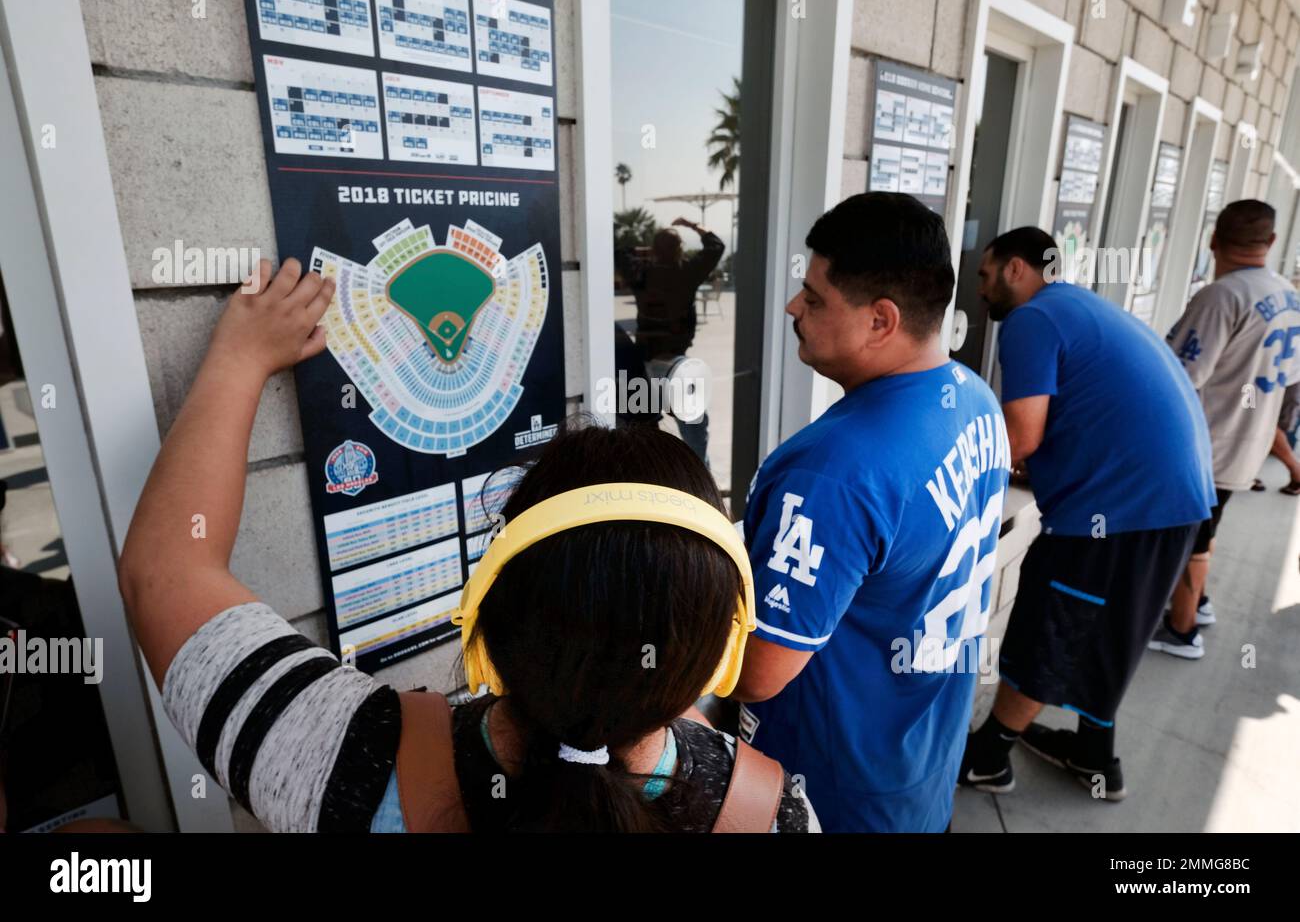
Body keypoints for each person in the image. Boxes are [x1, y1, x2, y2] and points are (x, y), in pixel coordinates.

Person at [117, 258, 817, 833]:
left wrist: (239, 358)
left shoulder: (347, 759)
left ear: (486, 619)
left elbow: (165, 572)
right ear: (723, 651)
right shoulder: (773, 813)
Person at [729, 192, 1010, 832]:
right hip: (921, 775)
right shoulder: (974, 399)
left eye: (815, 297)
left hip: (831, 799)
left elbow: (757, 673)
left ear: (880, 320)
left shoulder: (834, 470)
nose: (793, 307)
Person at [958, 227, 1214, 802]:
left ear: (1018, 269)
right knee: (1104, 632)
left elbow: (1019, 436)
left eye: (984, 275)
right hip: (1170, 503)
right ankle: (1097, 758)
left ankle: (989, 759)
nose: (981, 291)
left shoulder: (1032, 319)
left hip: (1121, 508)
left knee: (1051, 627)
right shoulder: (1082, 306)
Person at [1160, 200, 1300, 658]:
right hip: (1248, 438)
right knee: (1208, 526)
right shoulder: (1286, 293)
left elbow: (1179, 375)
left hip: (1210, 443)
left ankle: (1182, 631)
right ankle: (1197, 604)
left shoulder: (1221, 295)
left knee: (1192, 536)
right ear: (1272, 242)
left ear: (1213, 239)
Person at [626, 217, 724, 463]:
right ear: (680, 249)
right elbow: (716, 246)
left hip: (643, 366)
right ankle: (700, 488)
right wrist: (693, 225)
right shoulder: (686, 273)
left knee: (645, 440)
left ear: (655, 251)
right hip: (676, 367)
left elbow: (619, 254)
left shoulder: (642, 276)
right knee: (696, 443)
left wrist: (642, 252)